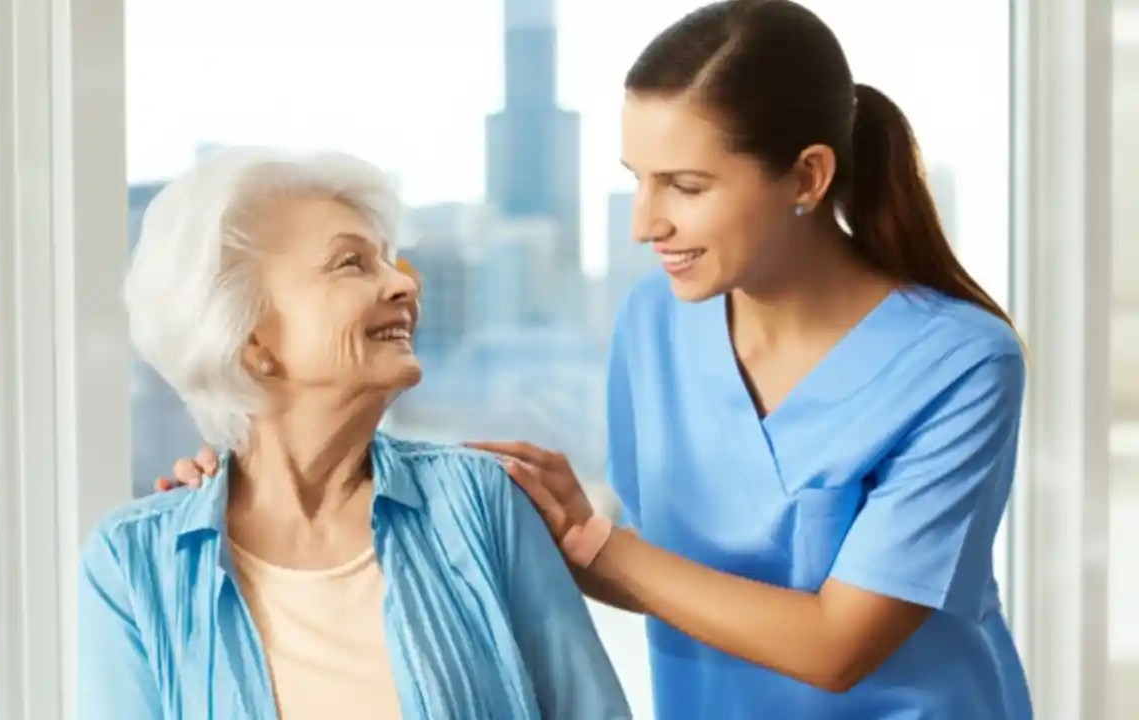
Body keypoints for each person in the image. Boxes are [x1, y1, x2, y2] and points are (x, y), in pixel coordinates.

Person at [163, 1, 1034, 718]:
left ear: (806, 178)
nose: (644, 224)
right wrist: (249, 501)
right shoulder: (656, 321)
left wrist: (596, 544)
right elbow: (666, 580)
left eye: (685, 188)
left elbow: (838, 646)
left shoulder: (961, 363)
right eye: (637, 179)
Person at [79, 147, 630, 719]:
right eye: (352, 263)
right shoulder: (134, 562)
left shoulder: (479, 501)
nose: (403, 286)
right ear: (250, 338)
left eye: (391, 261)